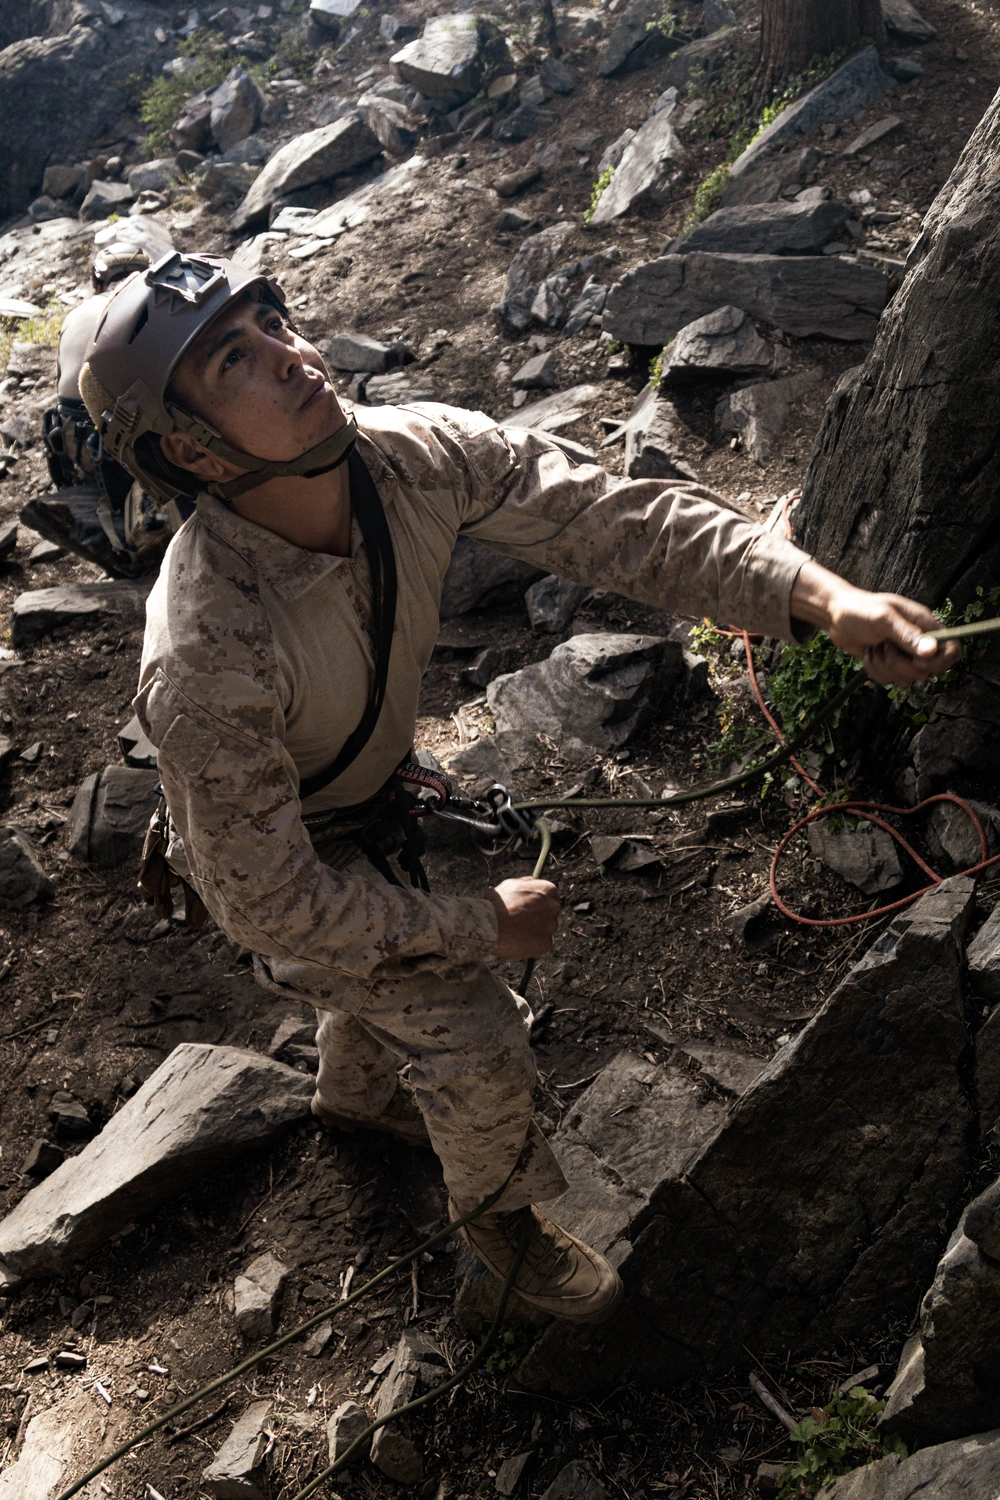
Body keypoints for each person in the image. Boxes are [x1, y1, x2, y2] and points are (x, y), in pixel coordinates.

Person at [78, 251, 960, 1324]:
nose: (293, 356)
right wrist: (474, 925)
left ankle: (358, 1100)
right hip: (276, 867)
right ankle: (498, 1230)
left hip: (356, 801)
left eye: (273, 320)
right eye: (236, 359)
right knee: (474, 1030)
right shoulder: (206, 650)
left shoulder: (415, 454)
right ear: (188, 448)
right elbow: (270, 905)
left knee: (385, 968)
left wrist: (823, 598)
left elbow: (617, 519)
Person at [32, 243, 187, 576]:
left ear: (100, 283)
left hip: (83, 445)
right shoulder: (156, 303)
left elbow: (62, 389)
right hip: (142, 440)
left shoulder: (79, 313)